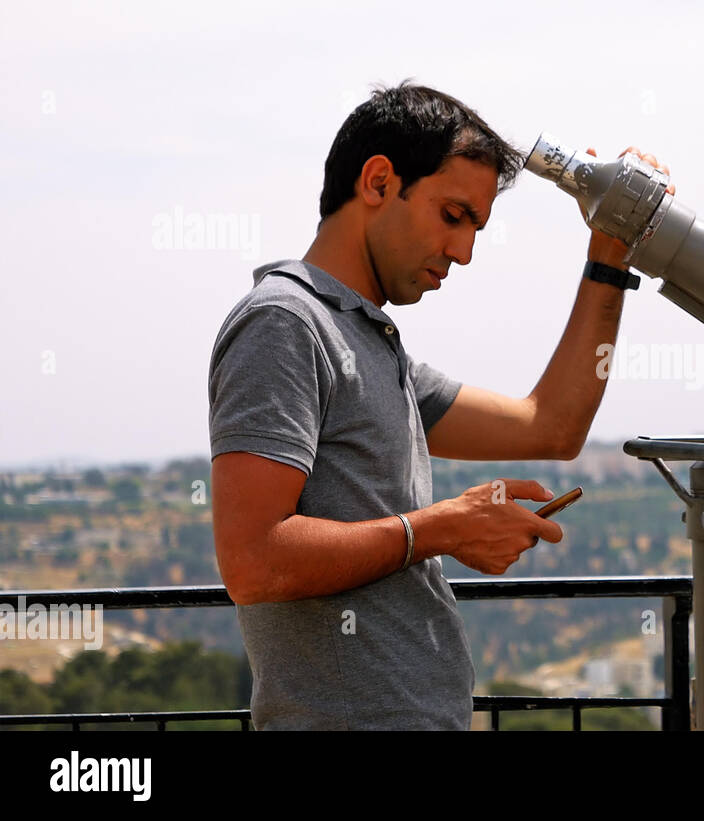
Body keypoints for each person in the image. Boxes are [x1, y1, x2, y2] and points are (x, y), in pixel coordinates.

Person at [207, 79, 673, 730]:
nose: (464, 252)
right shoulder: (286, 323)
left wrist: (609, 254)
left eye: (475, 227)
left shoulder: (371, 342)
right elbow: (251, 561)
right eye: (453, 216)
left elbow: (554, 425)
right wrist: (442, 527)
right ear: (377, 183)